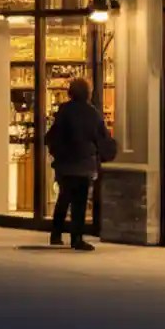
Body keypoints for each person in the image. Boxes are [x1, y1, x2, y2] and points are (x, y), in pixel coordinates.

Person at [45, 78, 113, 251]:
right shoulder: (92, 113)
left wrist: (56, 153)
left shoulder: (64, 111)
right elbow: (101, 137)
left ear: (71, 92)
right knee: (79, 202)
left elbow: (52, 135)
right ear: (88, 93)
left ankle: (56, 234)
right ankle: (77, 238)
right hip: (84, 163)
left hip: (65, 164)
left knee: (64, 198)